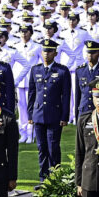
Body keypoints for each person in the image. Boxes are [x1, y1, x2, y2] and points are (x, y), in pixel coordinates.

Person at [27, 39, 71, 185]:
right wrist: (30, 114)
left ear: (55, 53)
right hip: (38, 115)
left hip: (54, 115)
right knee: (41, 148)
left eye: (50, 51)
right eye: (45, 51)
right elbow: (32, 94)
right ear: (41, 52)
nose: (47, 54)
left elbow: (66, 96)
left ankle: (54, 178)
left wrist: (65, 116)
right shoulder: (35, 69)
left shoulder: (62, 71)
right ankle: (43, 179)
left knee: (53, 148)